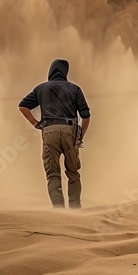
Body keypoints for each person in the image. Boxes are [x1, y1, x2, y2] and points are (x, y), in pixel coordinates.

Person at [18, 59, 91, 209]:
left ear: (51, 71)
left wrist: (35, 123)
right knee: (73, 171)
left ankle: (58, 209)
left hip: (49, 130)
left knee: (52, 173)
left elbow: (23, 106)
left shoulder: (41, 88)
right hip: (69, 131)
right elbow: (86, 116)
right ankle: (75, 207)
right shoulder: (75, 89)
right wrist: (80, 135)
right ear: (65, 72)